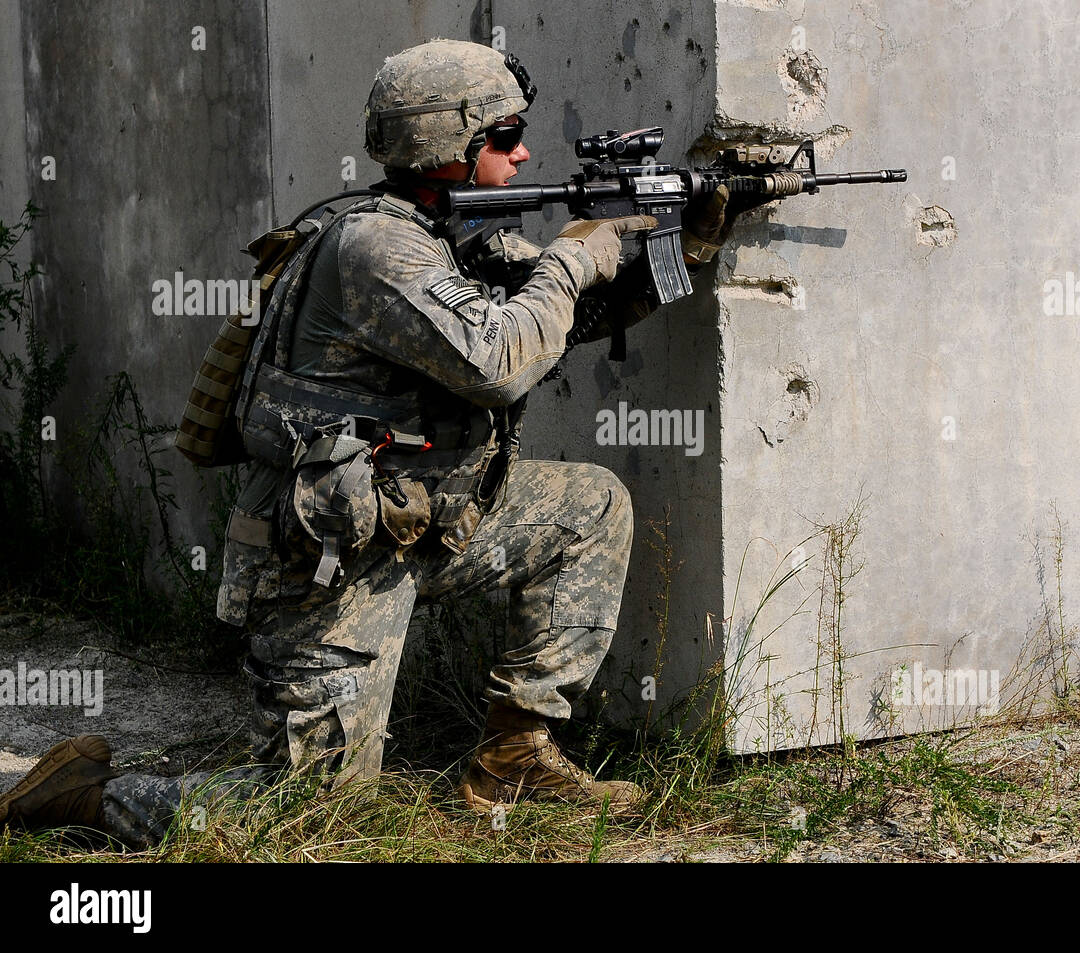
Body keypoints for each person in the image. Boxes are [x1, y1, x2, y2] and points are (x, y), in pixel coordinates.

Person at [0, 38, 734, 849]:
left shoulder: (455, 233)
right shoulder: (376, 249)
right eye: (503, 134)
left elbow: (566, 326)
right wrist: (569, 258)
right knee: (316, 810)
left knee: (589, 508)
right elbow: (500, 363)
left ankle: (515, 754)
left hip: (425, 521)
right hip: (329, 556)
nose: (523, 150)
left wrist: (686, 242)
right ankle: (86, 795)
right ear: (447, 144)